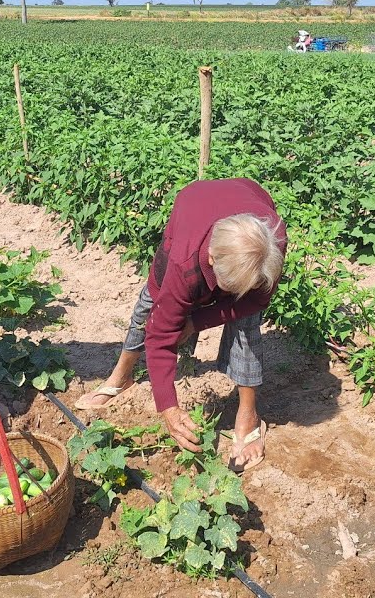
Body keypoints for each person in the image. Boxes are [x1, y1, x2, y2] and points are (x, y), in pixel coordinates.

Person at [74, 178, 287, 472]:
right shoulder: (183, 263)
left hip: (246, 198)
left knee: (246, 328)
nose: (231, 296)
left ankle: (248, 417)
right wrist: (169, 408)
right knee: (150, 306)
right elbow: (160, 336)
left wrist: (198, 320)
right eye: (229, 288)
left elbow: (256, 301)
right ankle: (120, 376)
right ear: (211, 258)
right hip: (190, 214)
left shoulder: (268, 245)